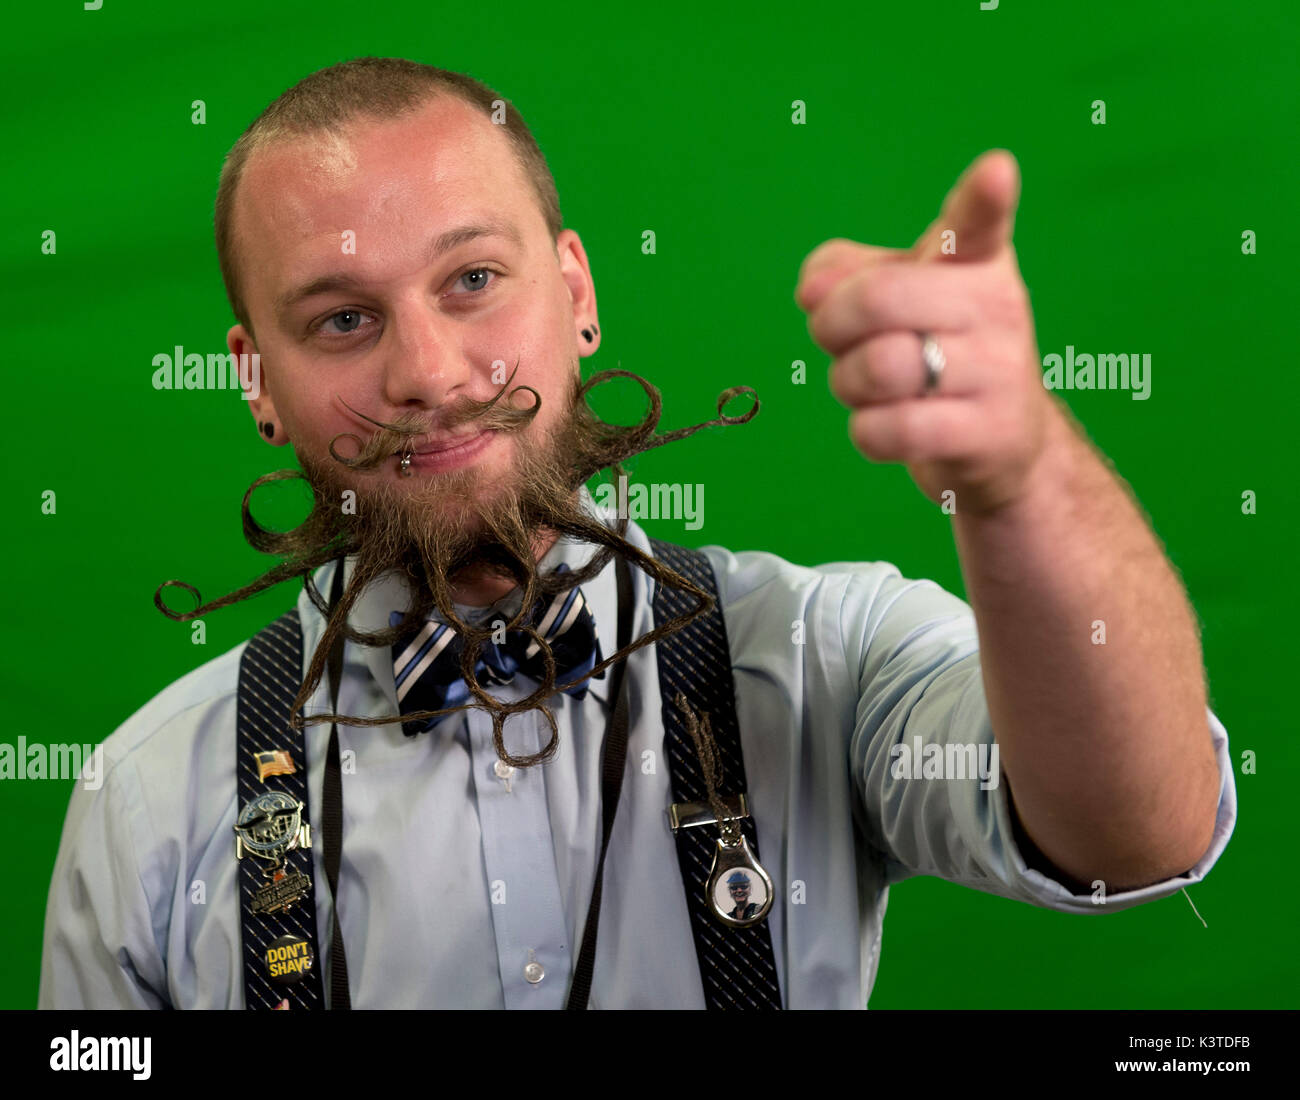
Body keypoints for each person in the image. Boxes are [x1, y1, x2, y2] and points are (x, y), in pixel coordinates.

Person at [38, 57, 1235, 1010]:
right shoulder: (145, 803)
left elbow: (1141, 830)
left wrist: (1020, 474)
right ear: (255, 377)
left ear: (578, 291)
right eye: (344, 318)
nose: (430, 372)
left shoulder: (820, 652)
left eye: (471, 281)